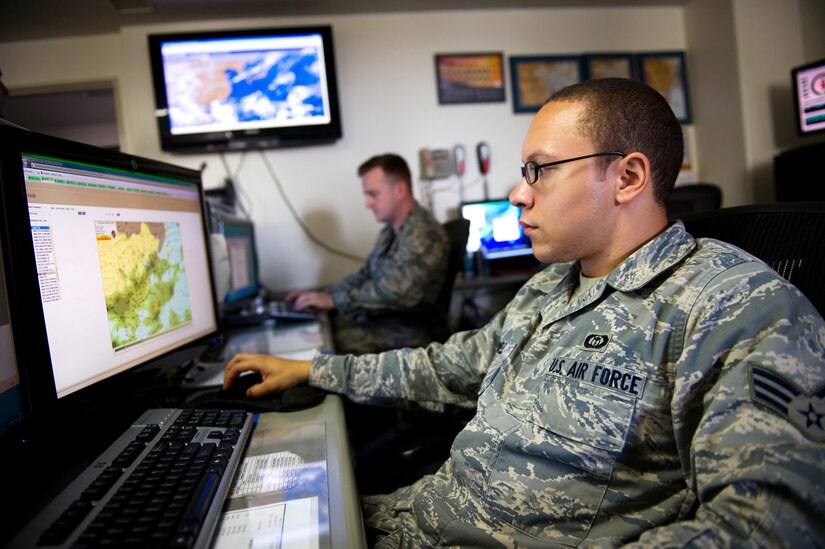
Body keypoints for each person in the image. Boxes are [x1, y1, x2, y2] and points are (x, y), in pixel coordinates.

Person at [224, 78, 825, 546]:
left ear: (628, 176)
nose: (519, 192)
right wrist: (312, 370)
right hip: (406, 520)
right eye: (522, 172)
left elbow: (769, 526)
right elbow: (449, 367)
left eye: (540, 169)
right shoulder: (549, 288)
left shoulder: (733, 307)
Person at [286, 153, 450, 355]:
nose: (368, 203)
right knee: (321, 326)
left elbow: (396, 292)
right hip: (383, 320)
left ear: (399, 190)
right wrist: (324, 295)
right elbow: (365, 275)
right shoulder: (391, 231)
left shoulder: (424, 233)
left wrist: (335, 301)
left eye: (373, 194)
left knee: (325, 342)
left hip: (408, 331)